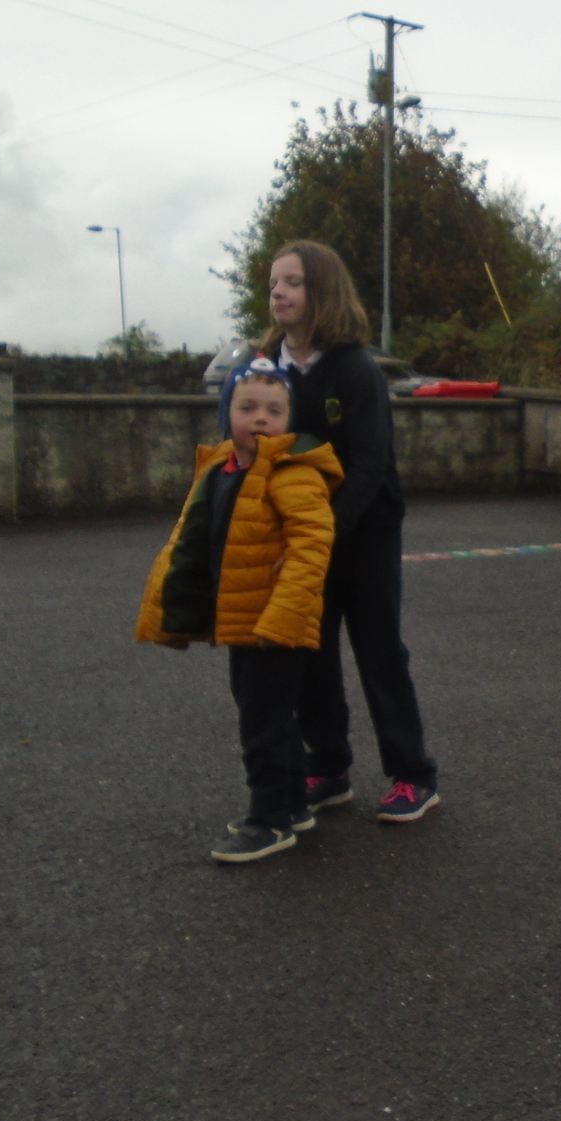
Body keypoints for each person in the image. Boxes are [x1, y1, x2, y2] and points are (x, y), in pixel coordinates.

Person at [239, 238, 442, 823]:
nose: (278, 291)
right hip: (305, 539)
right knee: (311, 651)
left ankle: (412, 774)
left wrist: (328, 532)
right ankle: (328, 769)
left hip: (365, 532)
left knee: (379, 651)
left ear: (321, 291)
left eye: (293, 282)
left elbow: (373, 465)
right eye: (275, 282)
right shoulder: (267, 368)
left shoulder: (354, 370)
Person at [137, 359, 343, 863]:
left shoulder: (292, 471)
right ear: (225, 411)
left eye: (274, 410)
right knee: (268, 715)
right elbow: (192, 538)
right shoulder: (224, 466)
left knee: (262, 722)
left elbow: (312, 547)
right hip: (242, 620)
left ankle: (268, 820)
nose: (260, 418)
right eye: (246, 406)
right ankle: (292, 805)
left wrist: (281, 619)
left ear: (289, 420)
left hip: (274, 622)